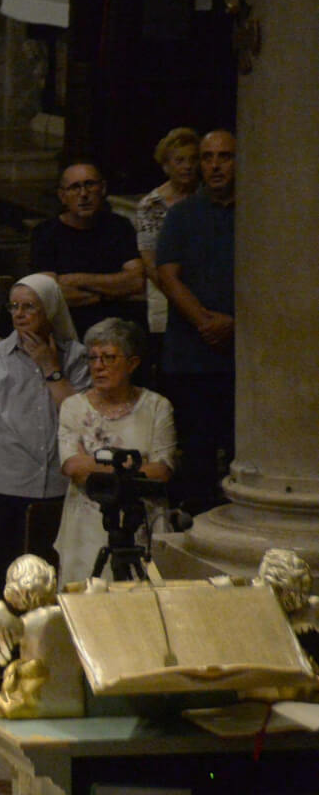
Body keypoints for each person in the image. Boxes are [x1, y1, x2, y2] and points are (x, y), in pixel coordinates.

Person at [0, 274, 90, 598]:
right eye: (14, 306)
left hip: (61, 487)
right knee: (5, 589)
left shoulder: (77, 357)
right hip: (7, 486)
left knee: (55, 585)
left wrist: (51, 368)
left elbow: (82, 421)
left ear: (49, 310)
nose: (19, 314)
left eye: (29, 307)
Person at [54, 318, 176, 586]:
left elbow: (161, 471)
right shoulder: (73, 407)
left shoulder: (157, 407)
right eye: (93, 358)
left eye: (108, 357)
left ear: (132, 363)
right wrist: (133, 466)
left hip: (142, 522)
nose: (98, 366)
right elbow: (73, 467)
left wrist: (95, 467)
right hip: (87, 527)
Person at [156, 129, 236, 515]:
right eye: (207, 157)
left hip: (246, 356)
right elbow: (168, 276)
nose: (215, 165)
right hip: (191, 355)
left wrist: (236, 324)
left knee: (241, 452)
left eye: (224, 156)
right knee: (197, 452)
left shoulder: (262, 212)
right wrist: (206, 322)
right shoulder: (182, 214)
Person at [29, 162, 145, 338]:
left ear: (103, 188)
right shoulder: (45, 233)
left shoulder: (119, 226)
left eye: (90, 185)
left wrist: (77, 279)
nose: (83, 194)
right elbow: (51, 294)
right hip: (69, 328)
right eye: (75, 187)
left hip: (118, 328)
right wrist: (112, 292)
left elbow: (136, 281)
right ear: (62, 196)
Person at [134, 128, 200, 345]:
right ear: (166, 165)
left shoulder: (206, 197)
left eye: (193, 159)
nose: (188, 166)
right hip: (165, 295)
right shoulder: (151, 205)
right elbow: (149, 260)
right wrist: (182, 300)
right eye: (180, 160)